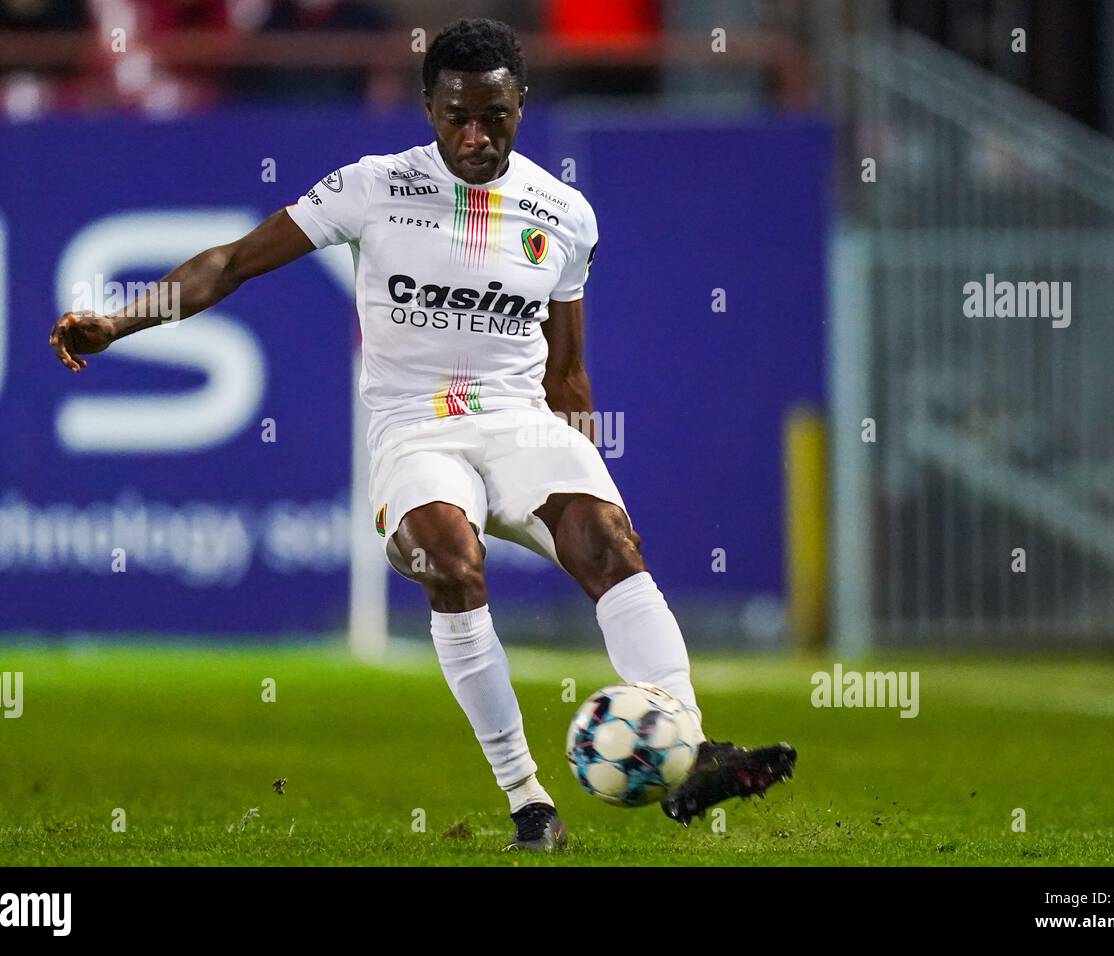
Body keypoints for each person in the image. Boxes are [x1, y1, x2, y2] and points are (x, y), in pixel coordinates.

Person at [48, 17, 796, 852]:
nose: (475, 135)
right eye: (454, 117)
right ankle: (528, 801)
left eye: (495, 116)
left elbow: (568, 368)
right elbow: (230, 263)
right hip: (416, 430)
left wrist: (584, 464)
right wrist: (119, 323)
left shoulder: (565, 214)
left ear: (521, 102)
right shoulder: (373, 186)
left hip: (518, 422)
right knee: (451, 560)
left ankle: (688, 750)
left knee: (610, 542)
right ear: (427, 109)